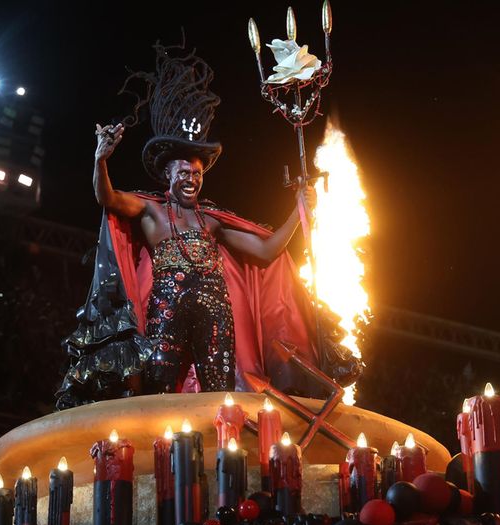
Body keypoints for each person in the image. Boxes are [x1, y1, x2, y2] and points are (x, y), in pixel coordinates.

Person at [55, 45, 359, 409]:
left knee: (219, 389)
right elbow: (107, 199)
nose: (191, 179)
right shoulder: (151, 210)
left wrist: (299, 210)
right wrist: (100, 161)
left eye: (197, 174)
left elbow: (266, 250)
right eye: (184, 172)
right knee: (160, 386)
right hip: (167, 305)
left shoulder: (212, 221)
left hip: (216, 307)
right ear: (167, 175)